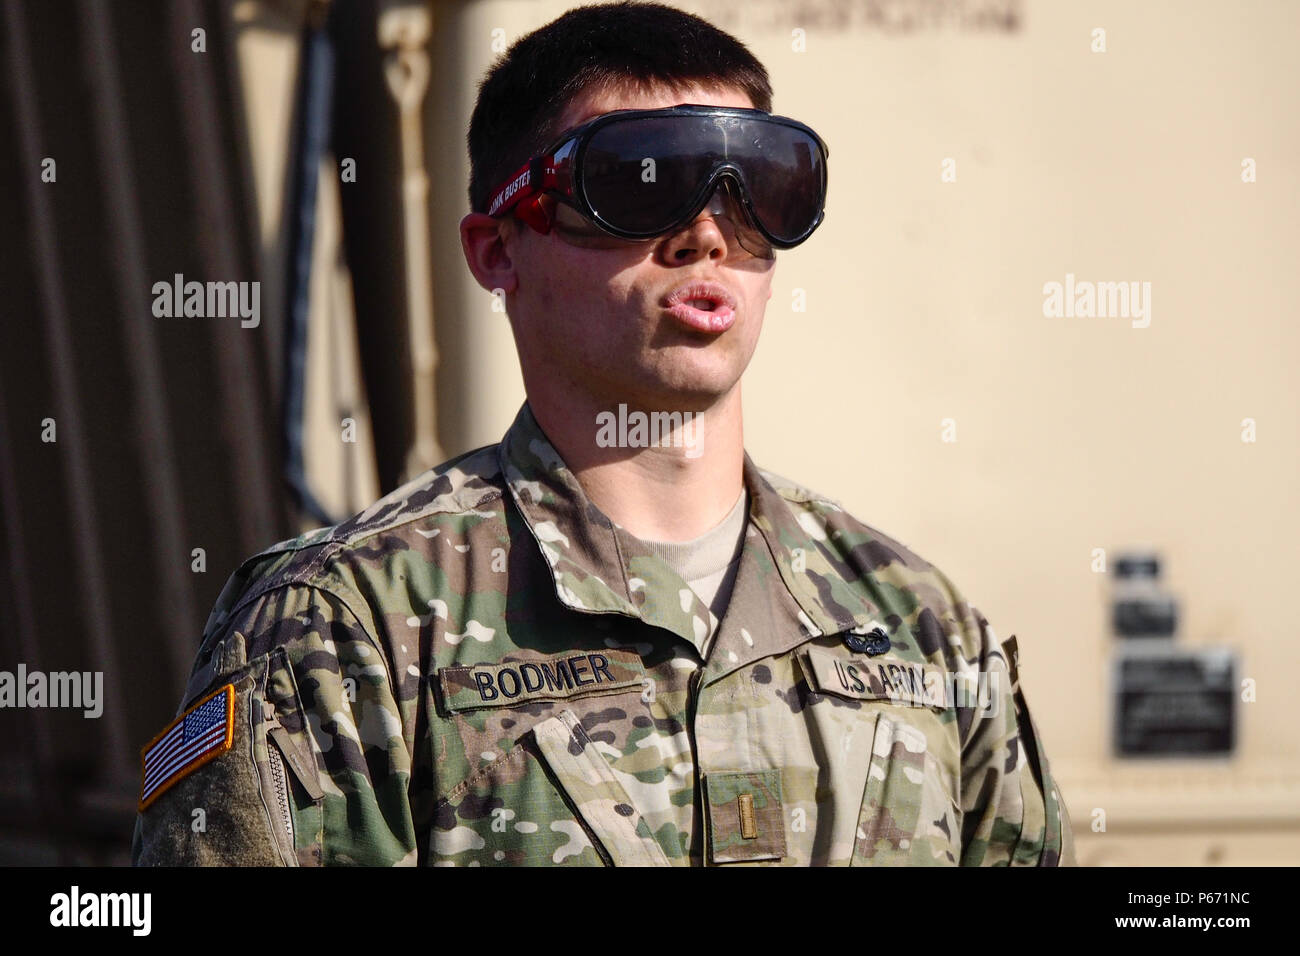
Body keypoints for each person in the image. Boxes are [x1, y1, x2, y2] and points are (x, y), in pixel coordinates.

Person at [132, 0, 1074, 866]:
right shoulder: (351, 631)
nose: (709, 234)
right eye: (641, 179)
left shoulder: (923, 632)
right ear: (499, 248)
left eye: (761, 189)